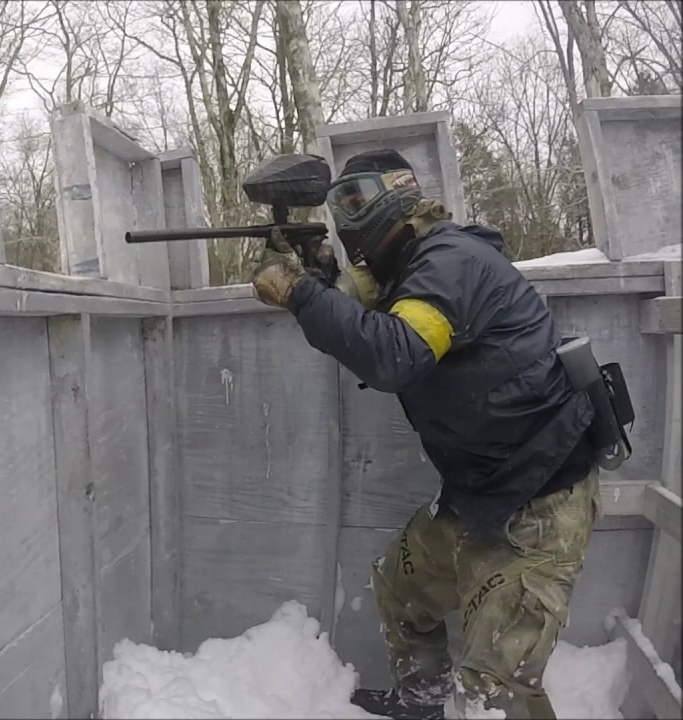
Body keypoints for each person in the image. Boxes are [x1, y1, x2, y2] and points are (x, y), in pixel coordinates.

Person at [251, 149, 600, 720]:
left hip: (539, 505)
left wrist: (302, 292)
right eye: (341, 202)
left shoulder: (449, 259)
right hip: (479, 491)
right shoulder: (419, 269)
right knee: (401, 588)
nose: (348, 215)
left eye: (357, 199)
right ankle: (419, 703)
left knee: (494, 697)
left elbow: (394, 354)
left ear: (398, 194)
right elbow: (379, 320)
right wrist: (321, 276)